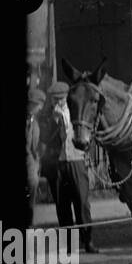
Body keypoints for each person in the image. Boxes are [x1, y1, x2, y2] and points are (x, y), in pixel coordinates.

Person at [45, 80, 97, 252]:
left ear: (67, 97)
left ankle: (88, 240)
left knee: (82, 203)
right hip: (58, 164)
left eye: (61, 98)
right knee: (62, 205)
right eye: (55, 99)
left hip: (76, 160)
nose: (58, 102)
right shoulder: (47, 116)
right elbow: (44, 139)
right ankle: (69, 244)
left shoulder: (76, 112)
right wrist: (53, 121)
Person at [25, 87, 45, 230]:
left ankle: (30, 221)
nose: (38, 108)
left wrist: (37, 160)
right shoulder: (28, 120)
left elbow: (36, 144)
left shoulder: (35, 122)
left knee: (33, 183)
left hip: (31, 160)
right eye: (37, 105)